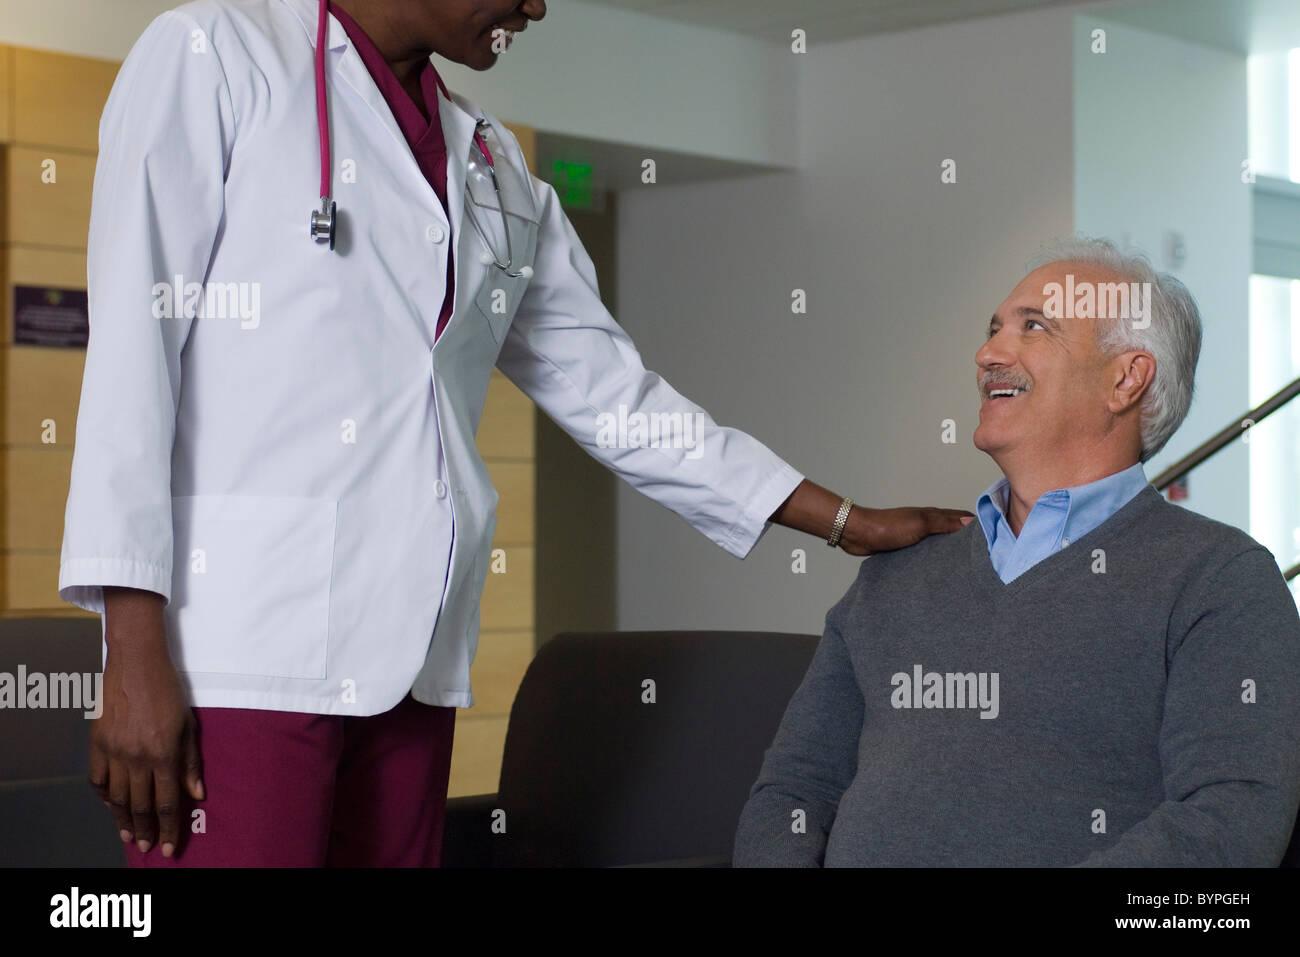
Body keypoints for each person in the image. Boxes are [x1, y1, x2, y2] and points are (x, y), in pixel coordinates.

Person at [59, 0, 970, 867]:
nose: (534, 10)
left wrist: (842, 519)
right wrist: (130, 650)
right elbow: (133, 363)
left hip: (411, 661)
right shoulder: (213, 55)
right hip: (238, 658)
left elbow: (618, 399)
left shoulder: (490, 162)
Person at [733, 237, 1300, 867]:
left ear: (1125, 379)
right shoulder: (895, 575)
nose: (987, 355)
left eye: (1034, 327)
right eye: (994, 329)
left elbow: (1231, 818)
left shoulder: (1220, 579)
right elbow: (794, 791)